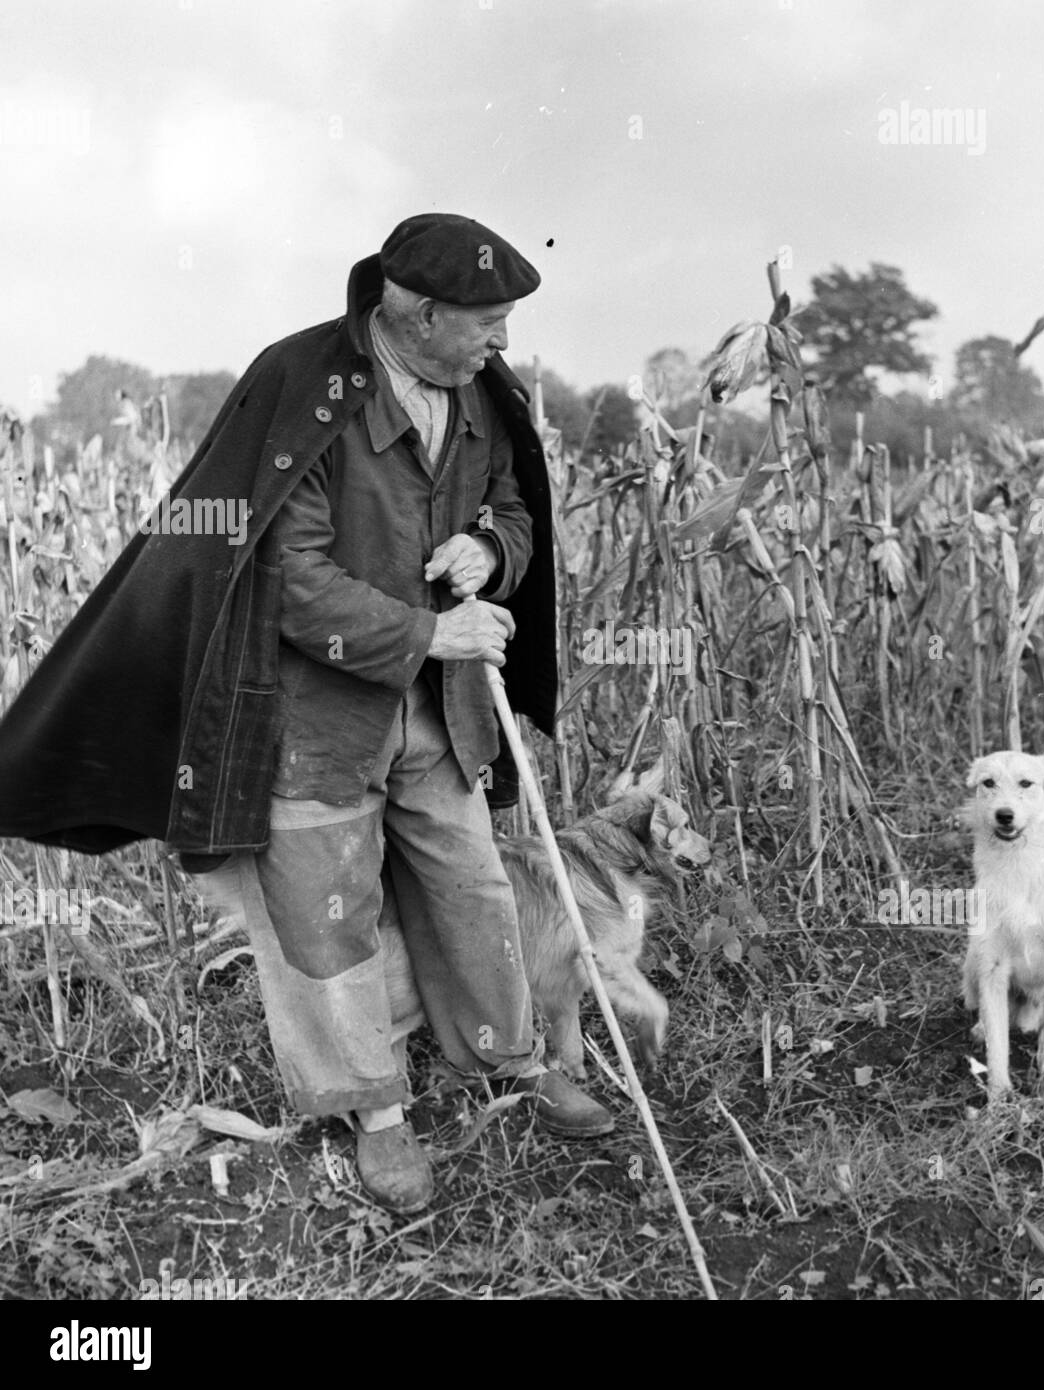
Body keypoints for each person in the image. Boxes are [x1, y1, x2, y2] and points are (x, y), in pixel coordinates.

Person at [0, 213, 613, 1214]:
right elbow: (284, 577)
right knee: (326, 921)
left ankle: (507, 1060)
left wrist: (489, 551)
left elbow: (509, 502)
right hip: (312, 722)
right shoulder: (303, 387)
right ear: (413, 313)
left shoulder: (478, 393)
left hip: (439, 716)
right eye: (486, 321)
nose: (502, 342)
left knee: (474, 891)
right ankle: (375, 1113)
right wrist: (426, 637)